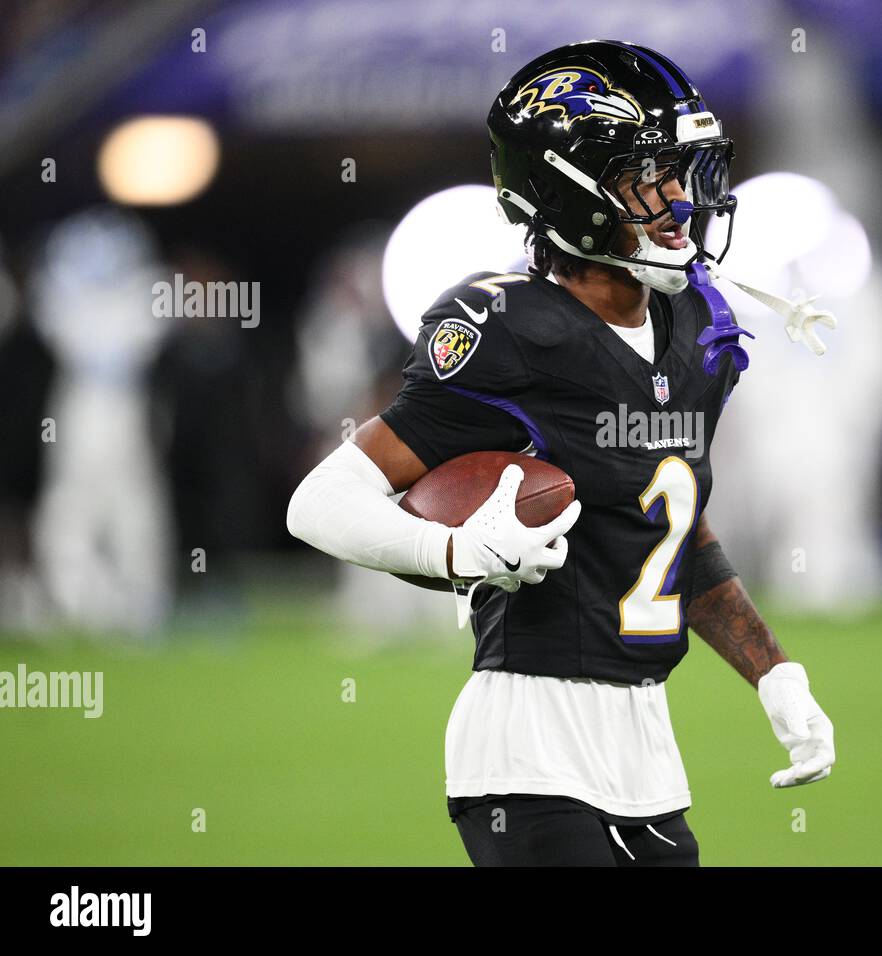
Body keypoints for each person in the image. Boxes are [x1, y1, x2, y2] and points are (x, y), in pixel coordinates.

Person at [287, 40, 836, 865]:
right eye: (647, 176)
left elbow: (669, 526)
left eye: (682, 172)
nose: (679, 199)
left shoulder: (695, 328)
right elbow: (319, 503)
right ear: (570, 190)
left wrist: (773, 672)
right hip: (527, 747)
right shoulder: (508, 328)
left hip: (647, 748)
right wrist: (452, 550)